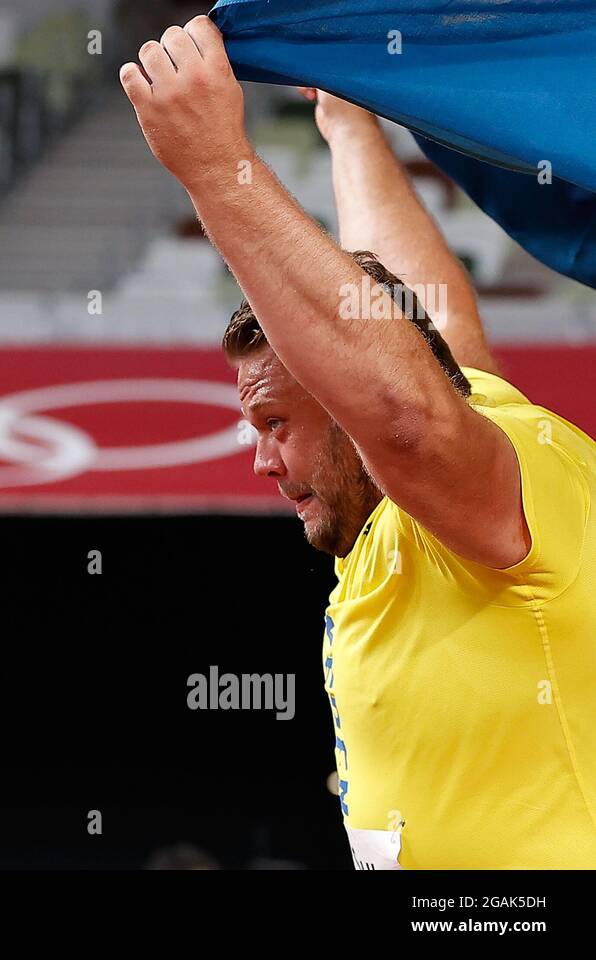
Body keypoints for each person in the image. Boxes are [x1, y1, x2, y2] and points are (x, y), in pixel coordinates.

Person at [120, 17, 596, 868]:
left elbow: (405, 412)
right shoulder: (457, 465)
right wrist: (348, 125)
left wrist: (216, 172)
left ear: (351, 411)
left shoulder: (481, 486)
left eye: (275, 424)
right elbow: (425, 319)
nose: (261, 460)